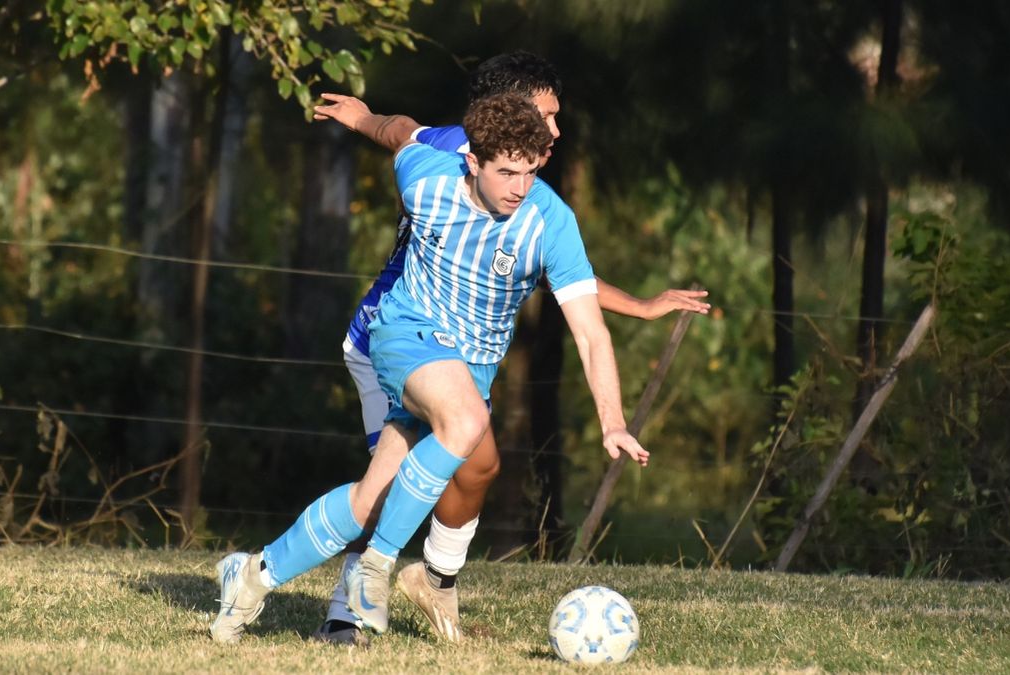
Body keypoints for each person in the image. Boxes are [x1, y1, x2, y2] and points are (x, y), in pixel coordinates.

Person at [209, 93, 648, 645]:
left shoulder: (550, 223)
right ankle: (377, 569)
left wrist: (612, 419)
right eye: (507, 171)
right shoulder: (424, 174)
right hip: (403, 333)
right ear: (472, 160)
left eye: (530, 172)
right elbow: (400, 132)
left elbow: (590, 332)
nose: (520, 186)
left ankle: (251, 575)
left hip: (469, 368)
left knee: (373, 498)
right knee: (464, 423)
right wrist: (362, 118)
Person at [310, 52, 710, 645]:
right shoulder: (451, 152)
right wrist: (366, 117)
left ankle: (435, 580)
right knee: (390, 479)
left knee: (481, 466)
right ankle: (346, 616)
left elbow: (567, 274)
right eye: (548, 114)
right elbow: (399, 133)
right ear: (511, 114)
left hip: (458, 345)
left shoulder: (531, 196)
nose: (557, 129)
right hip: (387, 337)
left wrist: (643, 305)